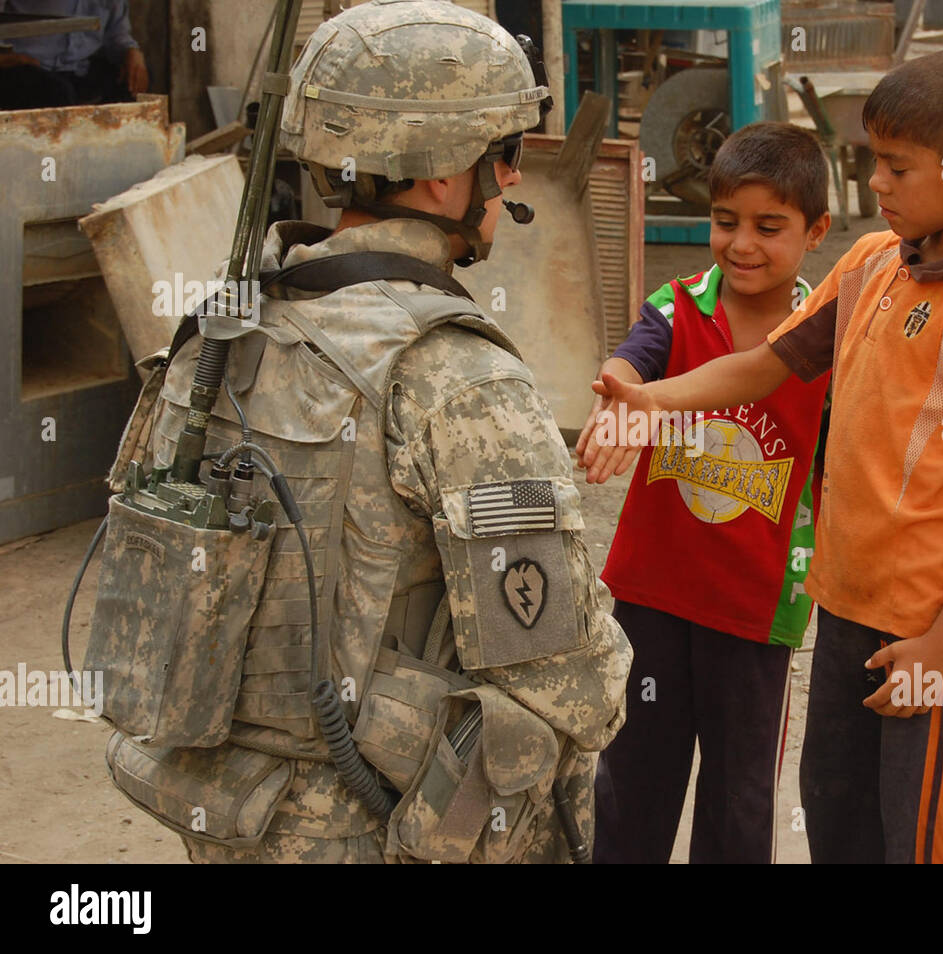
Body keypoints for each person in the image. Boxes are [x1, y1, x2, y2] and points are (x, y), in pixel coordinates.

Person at [101, 0, 631, 864]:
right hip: (378, 823)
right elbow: (556, 674)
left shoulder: (216, 337)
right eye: (503, 156)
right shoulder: (458, 376)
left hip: (230, 814)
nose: (513, 183)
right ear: (439, 177)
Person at [583, 48, 943, 864]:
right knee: (839, 821)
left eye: (898, 169)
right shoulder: (873, 262)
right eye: (876, 162)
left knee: (929, 838)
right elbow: (766, 365)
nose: (876, 183)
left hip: (931, 629)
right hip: (840, 606)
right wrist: (648, 398)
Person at [579, 122, 831, 864]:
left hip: (757, 612)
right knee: (632, 784)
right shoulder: (676, 305)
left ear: (815, 232)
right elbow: (629, 364)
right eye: (726, 222)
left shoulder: (826, 336)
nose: (742, 244)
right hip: (652, 596)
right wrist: (617, 402)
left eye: (769, 227)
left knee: (738, 802)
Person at [0, 0, 147, 110]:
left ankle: (104, 148)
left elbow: (116, 33)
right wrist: (5, 58)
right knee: (56, 92)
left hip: (79, 67)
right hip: (24, 66)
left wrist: (131, 52)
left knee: (133, 80)